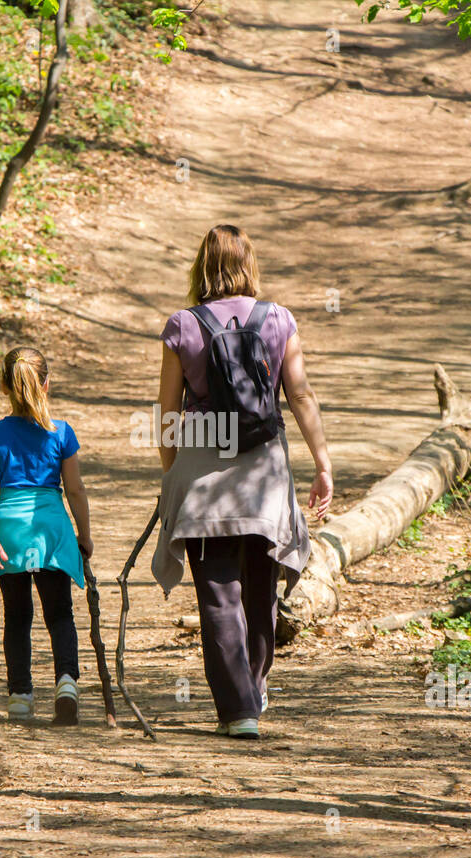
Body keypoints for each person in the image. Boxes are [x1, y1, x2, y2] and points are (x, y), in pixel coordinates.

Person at [151, 224, 332, 740]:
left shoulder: (182, 324)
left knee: (218, 595)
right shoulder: (278, 319)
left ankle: (239, 710)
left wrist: (173, 475)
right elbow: (300, 395)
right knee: (260, 590)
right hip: (265, 476)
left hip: (205, 477)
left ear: (202, 266)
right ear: (249, 263)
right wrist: (322, 464)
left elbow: (167, 411)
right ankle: (253, 687)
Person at [0, 346, 94, 725]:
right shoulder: (61, 433)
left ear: (4, 385)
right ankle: (66, 682)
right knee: (60, 613)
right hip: (51, 530)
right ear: (47, 384)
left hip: (9, 530)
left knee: (17, 615)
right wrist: (84, 534)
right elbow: (74, 489)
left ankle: (21, 696)